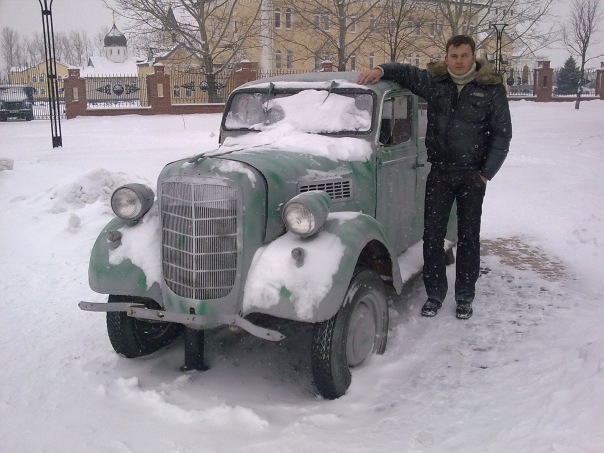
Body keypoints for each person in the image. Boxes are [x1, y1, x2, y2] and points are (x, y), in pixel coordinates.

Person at [357, 35, 512, 319]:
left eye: (464, 55)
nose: (459, 61)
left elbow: (502, 134)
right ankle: (435, 294)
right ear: (446, 57)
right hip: (440, 172)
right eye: (454, 56)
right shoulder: (435, 82)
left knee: (468, 238)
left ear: (473, 56)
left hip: (472, 175)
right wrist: (381, 69)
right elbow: (405, 72)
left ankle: (464, 296)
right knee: (432, 236)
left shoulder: (490, 88)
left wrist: (486, 173)